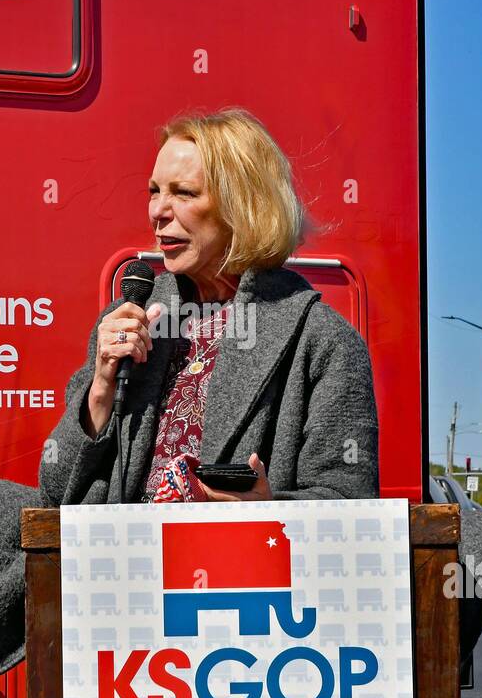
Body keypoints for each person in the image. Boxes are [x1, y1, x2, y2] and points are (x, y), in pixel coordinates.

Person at [38, 108, 380, 506]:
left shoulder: (324, 341)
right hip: (124, 565)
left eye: (183, 193)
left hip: (239, 565)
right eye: (154, 191)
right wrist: (99, 392)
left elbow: (350, 504)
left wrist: (267, 509)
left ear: (243, 207)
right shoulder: (131, 323)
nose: (157, 211)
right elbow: (54, 497)